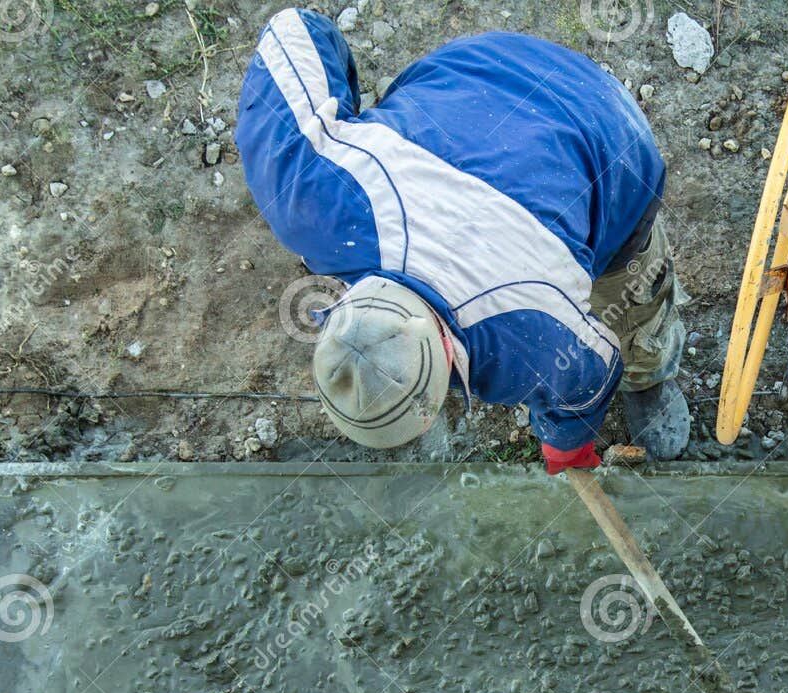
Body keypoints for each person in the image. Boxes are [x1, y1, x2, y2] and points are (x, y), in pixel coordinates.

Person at [235, 8, 690, 472]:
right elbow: (290, 29)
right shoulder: (306, 199)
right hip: (475, 70)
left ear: (450, 351)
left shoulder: (533, 335)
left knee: (631, 297)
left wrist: (567, 446)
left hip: (606, 130)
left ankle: (647, 370)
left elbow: (593, 370)